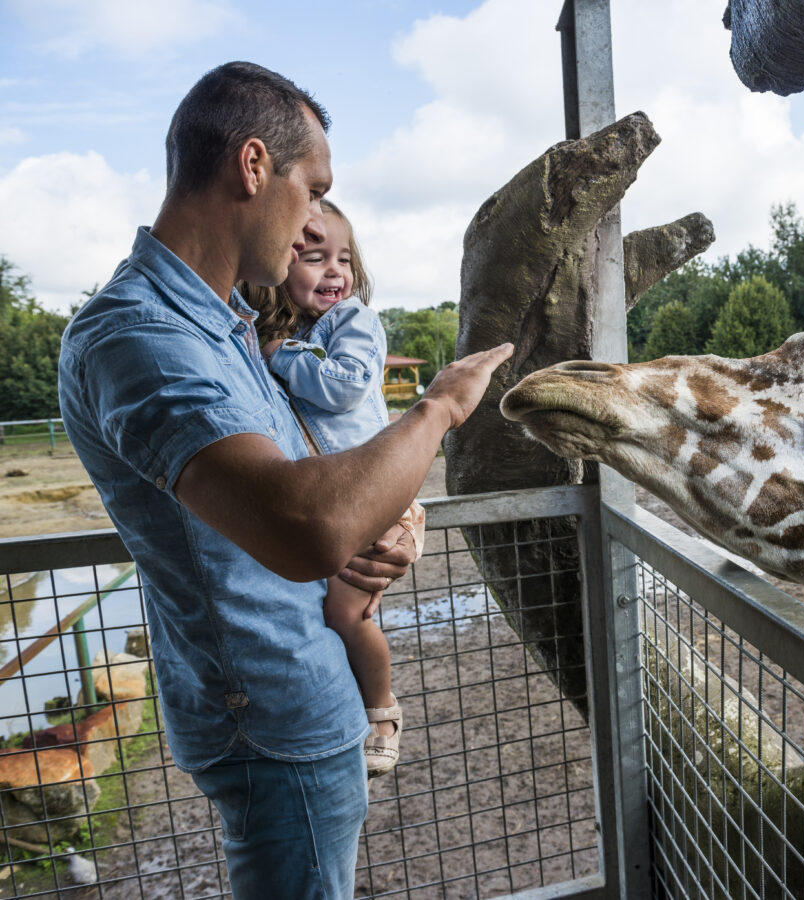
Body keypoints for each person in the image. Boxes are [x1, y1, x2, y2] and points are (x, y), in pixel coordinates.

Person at [57, 61, 512, 899]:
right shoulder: (143, 339)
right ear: (255, 166)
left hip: (302, 699)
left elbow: (307, 488)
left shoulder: (225, 326)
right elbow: (302, 524)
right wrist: (440, 410)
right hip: (272, 718)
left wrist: (380, 531)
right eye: (314, 189)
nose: (313, 224)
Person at [241, 198, 413, 778]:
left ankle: (383, 711)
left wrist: (279, 353)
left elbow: (342, 388)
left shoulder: (350, 322)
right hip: (337, 498)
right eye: (315, 258)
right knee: (324, 610)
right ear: (281, 266)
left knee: (346, 614)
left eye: (344, 258)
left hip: (373, 493)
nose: (335, 271)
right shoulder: (283, 329)